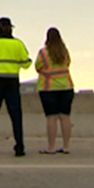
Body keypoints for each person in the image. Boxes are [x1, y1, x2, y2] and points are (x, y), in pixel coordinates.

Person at [0, 17, 31, 157]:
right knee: (16, 116)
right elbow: (26, 63)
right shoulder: (18, 44)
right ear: (11, 27)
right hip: (12, 81)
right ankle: (19, 147)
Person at [35, 27, 74, 155]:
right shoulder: (64, 52)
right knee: (65, 117)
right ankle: (66, 146)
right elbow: (68, 64)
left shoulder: (43, 53)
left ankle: (51, 147)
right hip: (66, 87)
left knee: (51, 118)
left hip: (48, 88)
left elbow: (38, 67)